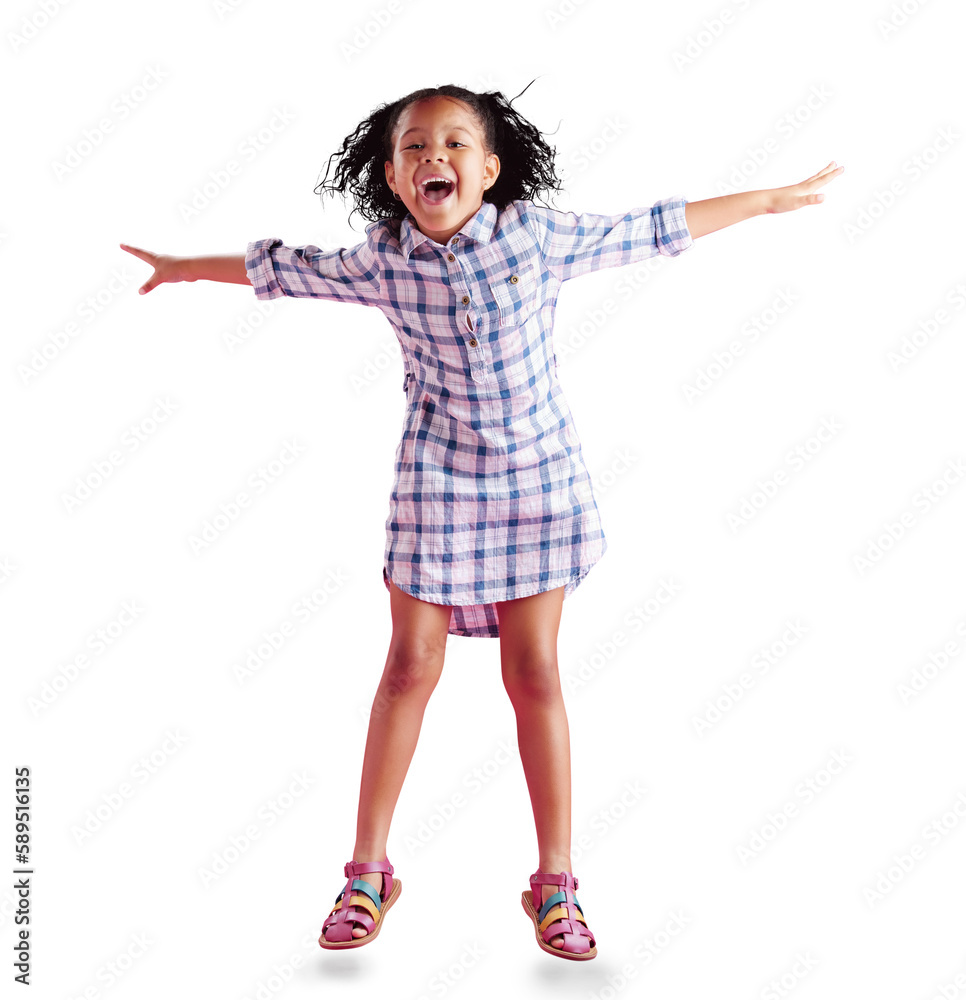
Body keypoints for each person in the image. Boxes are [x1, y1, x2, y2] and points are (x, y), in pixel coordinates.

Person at [120, 80, 843, 961]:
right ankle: (368, 872)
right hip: (436, 480)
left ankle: (556, 884)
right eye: (416, 147)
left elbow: (653, 227)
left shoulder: (533, 237)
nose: (436, 158)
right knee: (407, 666)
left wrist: (770, 199)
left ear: (490, 169)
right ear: (391, 176)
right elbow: (284, 268)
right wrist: (186, 266)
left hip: (537, 480)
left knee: (534, 670)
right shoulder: (385, 260)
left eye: (456, 144)